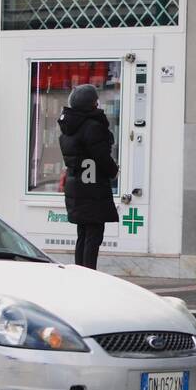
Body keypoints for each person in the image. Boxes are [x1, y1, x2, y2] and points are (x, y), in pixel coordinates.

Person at [58, 84, 119, 269]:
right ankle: (88, 274)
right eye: (95, 101)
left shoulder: (70, 127)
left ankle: (80, 272)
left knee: (83, 234)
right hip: (92, 188)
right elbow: (102, 156)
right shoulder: (92, 127)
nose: (97, 104)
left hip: (78, 187)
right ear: (90, 103)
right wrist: (114, 171)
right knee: (93, 235)